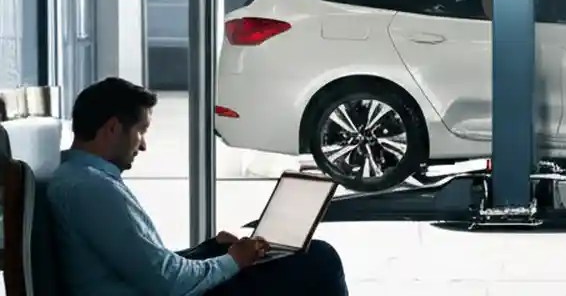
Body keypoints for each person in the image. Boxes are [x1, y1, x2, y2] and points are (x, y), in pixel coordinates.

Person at [46, 77, 349, 296]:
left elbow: (147, 265)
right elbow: (168, 282)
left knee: (290, 262)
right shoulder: (92, 190)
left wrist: (210, 249)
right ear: (113, 128)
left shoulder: (76, 178)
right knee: (320, 260)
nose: (144, 146)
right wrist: (233, 260)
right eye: (141, 131)